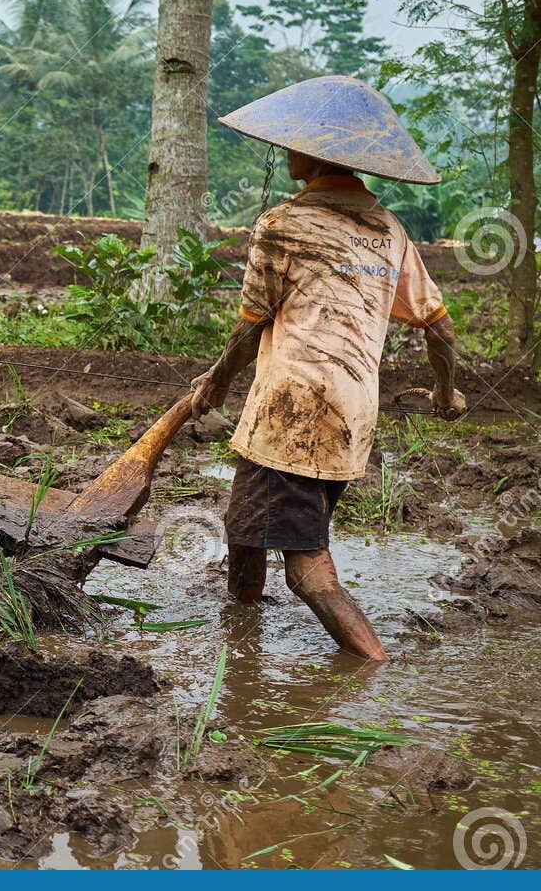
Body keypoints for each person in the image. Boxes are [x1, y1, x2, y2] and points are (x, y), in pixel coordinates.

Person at [191, 75, 465, 662]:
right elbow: (438, 327)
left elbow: (249, 325)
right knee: (247, 533)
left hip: (295, 412)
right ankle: (243, 652)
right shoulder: (388, 231)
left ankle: (374, 668)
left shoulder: (282, 225)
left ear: (316, 155)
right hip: (352, 414)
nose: (286, 150)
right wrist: (446, 394)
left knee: (307, 570)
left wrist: (215, 383)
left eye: (295, 142)